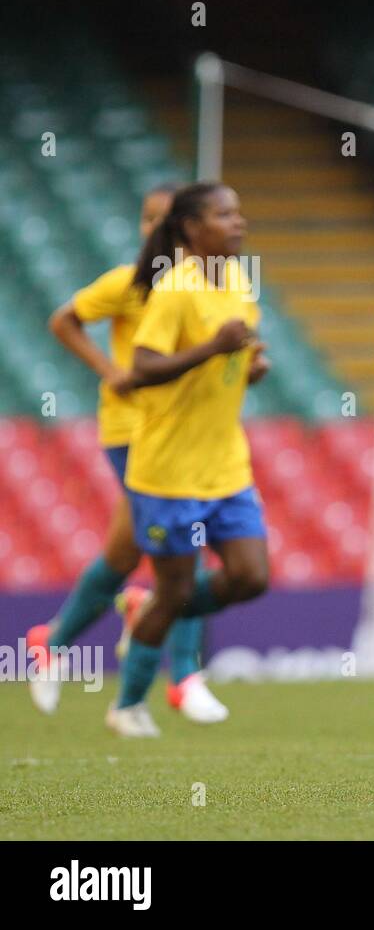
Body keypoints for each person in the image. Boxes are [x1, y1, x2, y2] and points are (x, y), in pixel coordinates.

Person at [28, 184, 228, 724]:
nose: (151, 228)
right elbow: (63, 319)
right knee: (185, 550)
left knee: (122, 555)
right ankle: (184, 675)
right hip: (131, 436)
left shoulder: (202, 288)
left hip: (181, 435)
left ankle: (53, 640)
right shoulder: (128, 284)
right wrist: (109, 371)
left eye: (163, 219)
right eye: (146, 218)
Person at [107, 181, 272, 738]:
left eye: (238, 212)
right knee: (176, 590)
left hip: (226, 464)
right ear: (191, 229)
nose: (238, 222)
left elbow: (230, 359)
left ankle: (148, 611)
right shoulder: (174, 290)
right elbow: (143, 369)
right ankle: (128, 705)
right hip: (169, 472)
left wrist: (247, 368)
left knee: (251, 578)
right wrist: (213, 349)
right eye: (224, 215)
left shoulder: (240, 282)